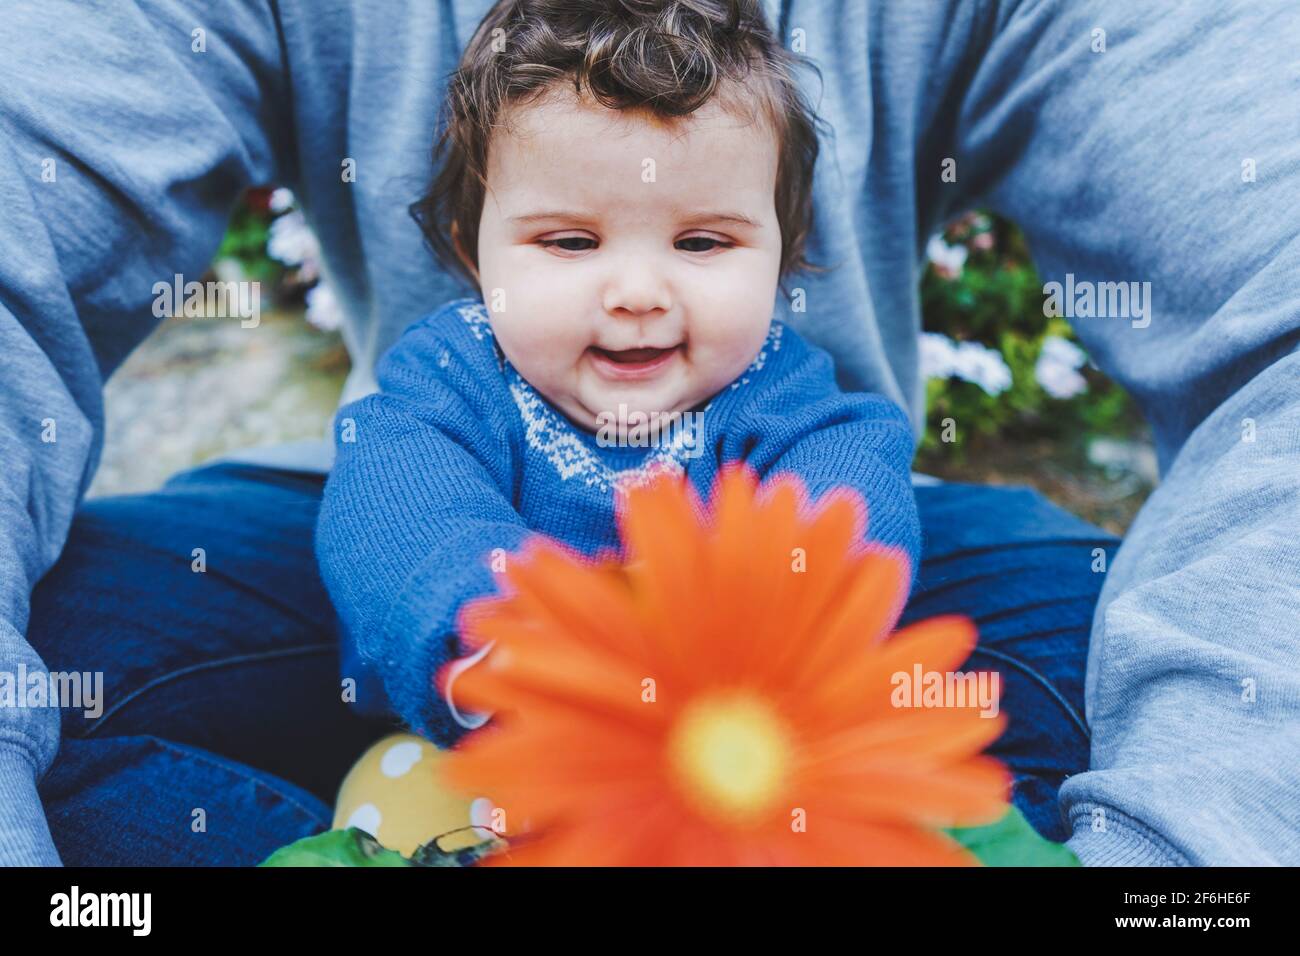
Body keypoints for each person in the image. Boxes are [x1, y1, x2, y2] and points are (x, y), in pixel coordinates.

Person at [2, 0, 1297, 867]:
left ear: (788, 253)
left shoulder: (787, 391)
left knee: (1086, 614)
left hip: (759, 705)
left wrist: (802, 633)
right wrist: (492, 644)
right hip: (486, 672)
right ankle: (385, 852)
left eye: (703, 244)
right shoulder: (447, 375)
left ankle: (915, 835)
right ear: (472, 250)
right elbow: (400, 511)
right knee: (65, 643)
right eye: (568, 244)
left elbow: (850, 506)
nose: (637, 290)